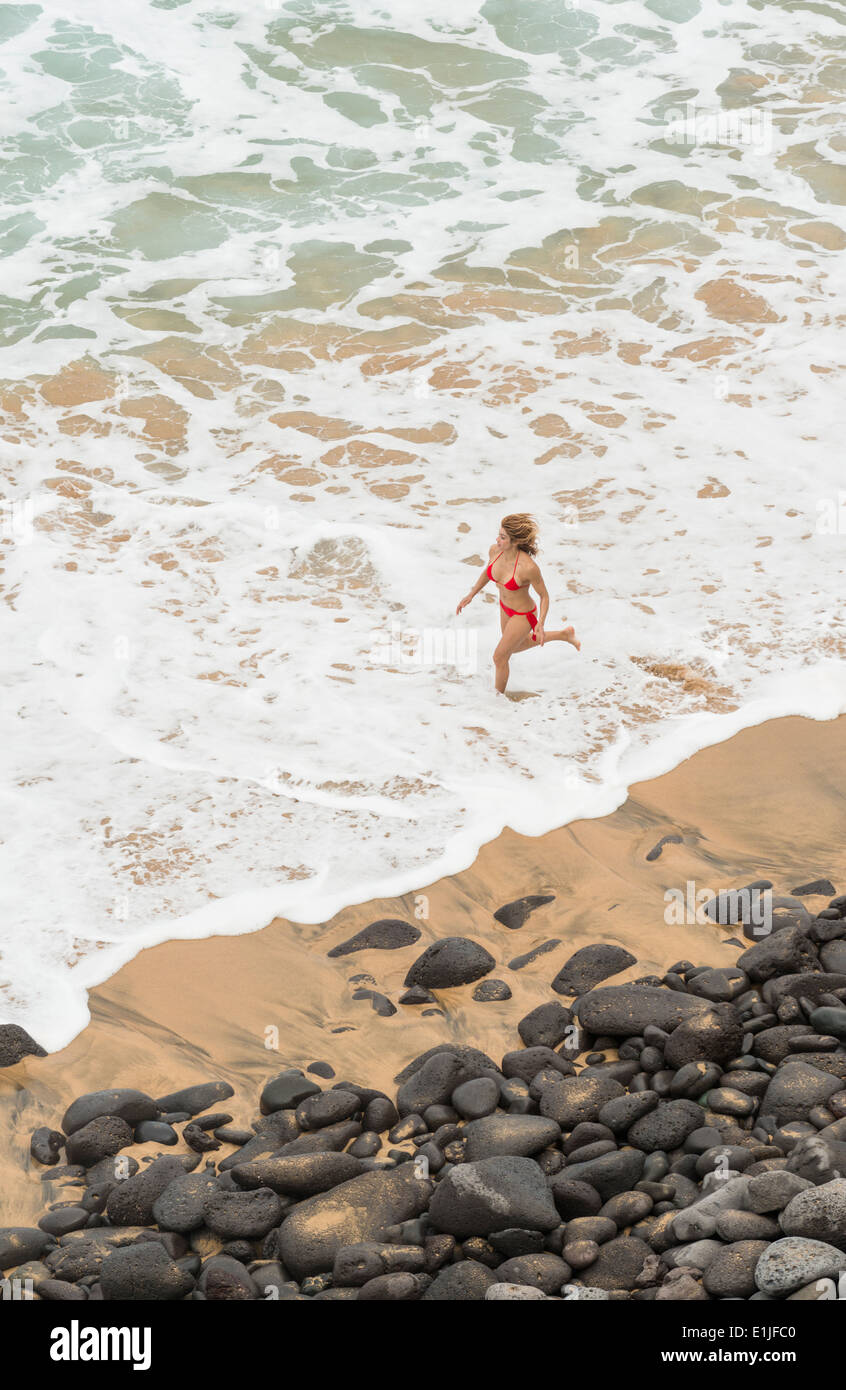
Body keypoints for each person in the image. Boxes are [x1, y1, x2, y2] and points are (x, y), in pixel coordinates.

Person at [456, 513, 580, 694]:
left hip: (523, 614)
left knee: (500, 657)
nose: (497, 540)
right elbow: (488, 572)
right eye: (499, 535)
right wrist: (471, 594)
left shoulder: (527, 568)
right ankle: (564, 634)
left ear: (515, 542)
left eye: (503, 537)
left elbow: (544, 596)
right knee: (515, 647)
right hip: (505, 608)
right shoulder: (495, 551)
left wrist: (540, 624)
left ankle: (497, 699)